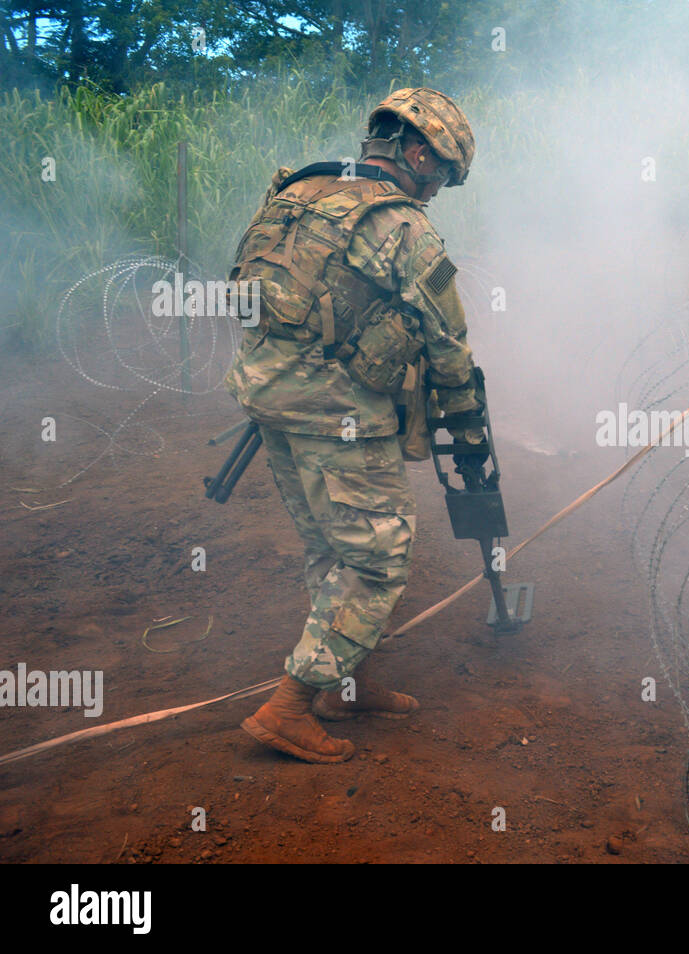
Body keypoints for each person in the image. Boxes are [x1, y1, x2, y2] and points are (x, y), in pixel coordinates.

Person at [224, 88, 486, 763]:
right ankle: (289, 706)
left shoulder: (298, 188)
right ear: (418, 151)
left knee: (332, 549)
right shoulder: (399, 223)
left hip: (268, 398)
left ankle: (348, 676)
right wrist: (466, 419)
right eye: (442, 175)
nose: (438, 190)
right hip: (336, 415)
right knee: (378, 559)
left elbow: (245, 281)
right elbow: (447, 339)